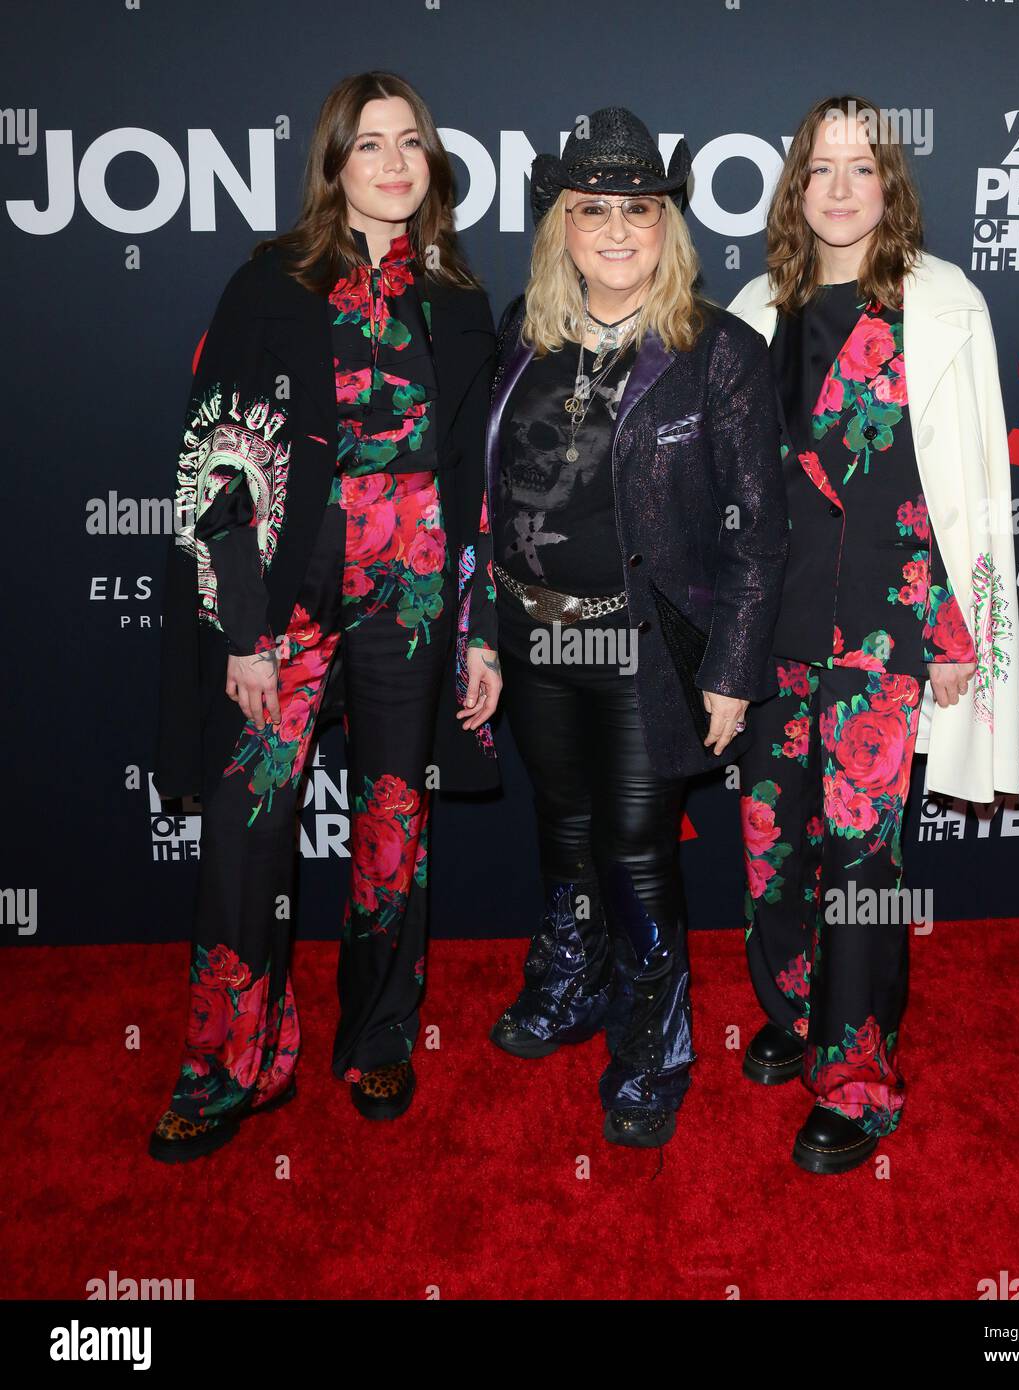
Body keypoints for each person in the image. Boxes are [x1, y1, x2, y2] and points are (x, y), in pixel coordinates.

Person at [149, 71, 501, 1163]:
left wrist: (479, 624)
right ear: (334, 163)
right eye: (370, 145)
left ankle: (379, 1030)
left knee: (396, 822)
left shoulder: (457, 301)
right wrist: (243, 631)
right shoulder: (272, 285)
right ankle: (226, 1061)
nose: (394, 163)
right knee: (247, 837)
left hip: (414, 602)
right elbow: (214, 464)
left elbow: (475, 479)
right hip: (286, 608)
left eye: (411, 144)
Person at [728, 94, 1019, 1174]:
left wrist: (959, 633)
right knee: (769, 845)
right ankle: (798, 1008)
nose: (841, 188)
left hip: (888, 638)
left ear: (889, 186)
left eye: (862, 168)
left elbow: (970, 488)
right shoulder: (759, 306)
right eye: (820, 169)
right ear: (795, 188)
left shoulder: (941, 304)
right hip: (769, 628)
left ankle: (856, 1078)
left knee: (861, 862)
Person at [487, 107, 788, 1147]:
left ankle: (653, 1045)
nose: (615, 230)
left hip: (642, 650)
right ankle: (572, 983)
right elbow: (483, 495)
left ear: (667, 225)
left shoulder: (718, 353)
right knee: (562, 831)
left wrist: (733, 672)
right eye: (591, 210)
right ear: (558, 226)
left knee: (632, 846)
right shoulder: (519, 337)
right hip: (534, 641)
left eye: (637, 210)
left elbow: (759, 535)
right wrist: (483, 632)